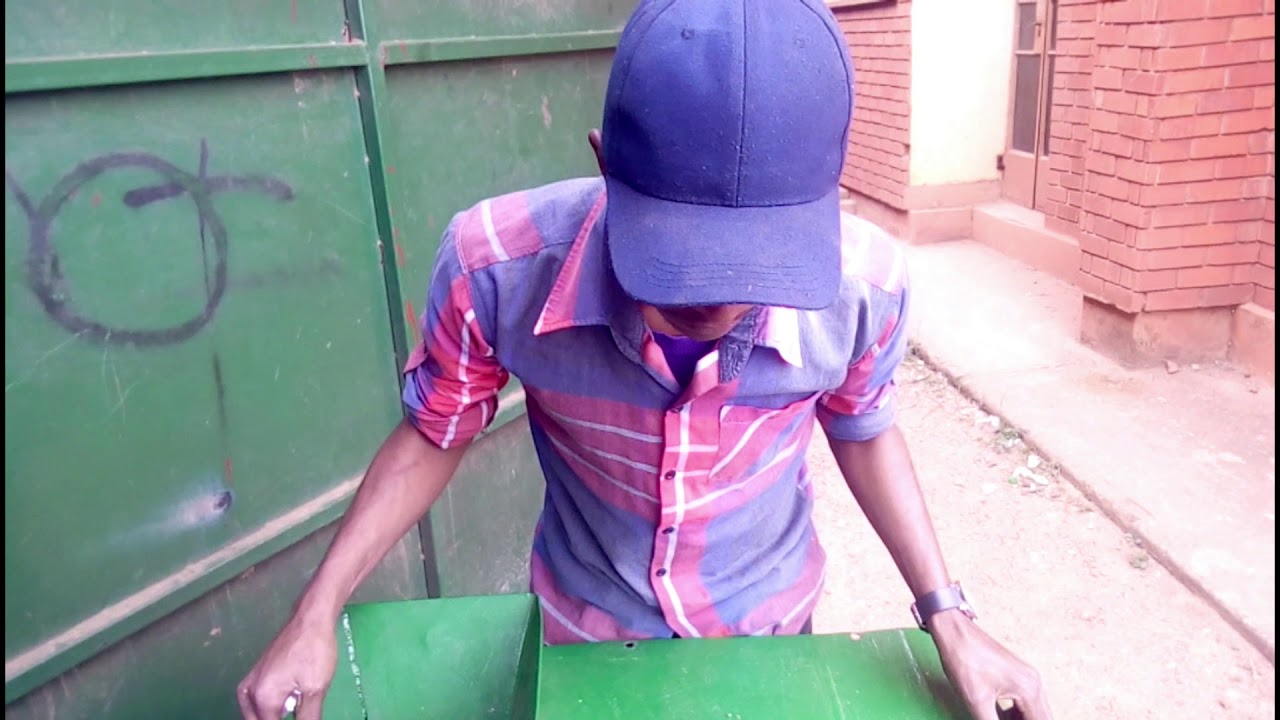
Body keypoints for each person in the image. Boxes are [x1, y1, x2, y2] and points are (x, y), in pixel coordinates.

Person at [238, 0, 1053, 718]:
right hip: (585, 639)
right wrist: (316, 612)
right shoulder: (496, 271)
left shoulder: (863, 291)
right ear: (604, 164)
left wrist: (947, 613)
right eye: (680, 256)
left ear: (819, 209)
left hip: (771, 630)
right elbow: (435, 430)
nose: (715, 299)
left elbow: (864, 427)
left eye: (754, 265)